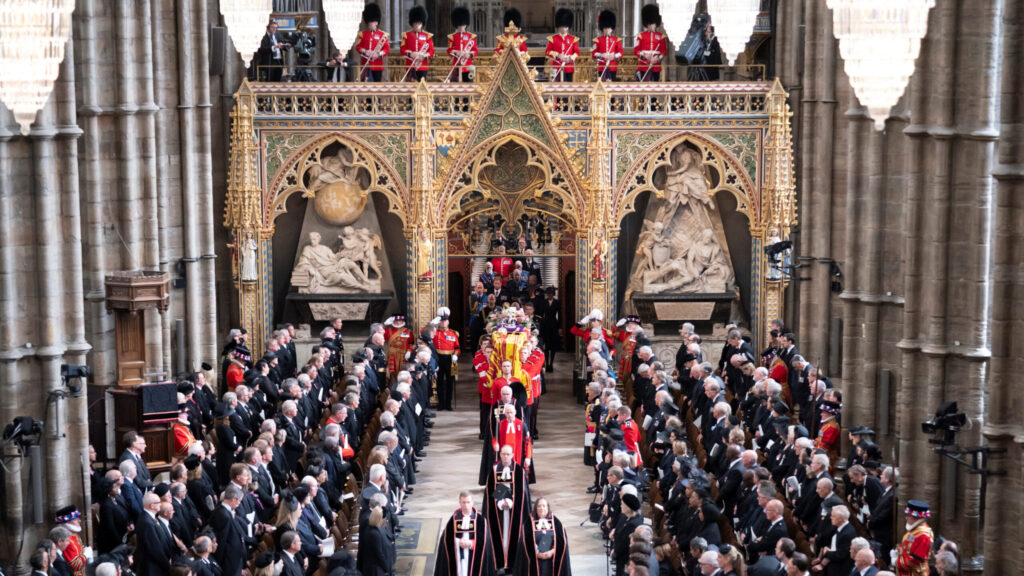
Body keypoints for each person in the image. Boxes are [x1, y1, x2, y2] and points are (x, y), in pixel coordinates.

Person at [484, 445, 530, 572]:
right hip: (498, 511)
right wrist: (499, 502)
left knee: (513, 534)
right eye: (503, 454)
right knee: (499, 535)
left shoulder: (519, 471)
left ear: (512, 455)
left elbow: (522, 493)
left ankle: (512, 564)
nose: (505, 457)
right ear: (500, 455)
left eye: (508, 454)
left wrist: (510, 503)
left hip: (514, 511)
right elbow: (489, 492)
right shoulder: (494, 470)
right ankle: (499, 564)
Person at [434, 491, 497, 576]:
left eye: (468, 502)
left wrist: (471, 543)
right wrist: (458, 542)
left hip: (473, 556)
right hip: (458, 558)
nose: (466, 505)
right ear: (460, 502)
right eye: (463, 502)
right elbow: (445, 540)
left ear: (472, 502)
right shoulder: (454, 519)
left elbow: (485, 543)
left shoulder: (480, 521)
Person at [514, 498, 571, 576]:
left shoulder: (555, 522)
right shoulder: (529, 522)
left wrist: (552, 552)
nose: (542, 508)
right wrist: (536, 553)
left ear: (548, 508)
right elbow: (524, 543)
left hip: (551, 560)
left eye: (544, 506)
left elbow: (562, 542)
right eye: (539, 506)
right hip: (535, 560)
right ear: (535, 508)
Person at [357, 494, 397, 576]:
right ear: (381, 506)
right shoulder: (368, 520)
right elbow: (375, 549)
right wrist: (386, 568)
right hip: (374, 565)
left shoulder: (369, 514)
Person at [894, 500, 932, 576]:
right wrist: (898, 551)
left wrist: (896, 562)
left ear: (915, 518)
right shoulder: (915, 528)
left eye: (908, 515)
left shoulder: (923, 536)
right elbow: (908, 545)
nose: (906, 518)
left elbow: (915, 561)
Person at [434, 307, 461, 411]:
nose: (443, 323)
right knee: (439, 382)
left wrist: (456, 355)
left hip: (450, 359)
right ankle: (441, 403)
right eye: (441, 321)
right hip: (439, 359)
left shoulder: (453, 333)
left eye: (445, 321)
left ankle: (448, 403)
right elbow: (424, 332)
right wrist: (432, 324)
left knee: (450, 382)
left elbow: (457, 347)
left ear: (448, 322)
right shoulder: (435, 332)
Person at [357, 4, 389, 82]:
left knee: (376, 85)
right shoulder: (362, 34)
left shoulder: (382, 35)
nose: (371, 24)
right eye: (370, 22)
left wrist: (378, 54)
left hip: (377, 65)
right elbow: (358, 47)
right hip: (365, 64)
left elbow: (386, 49)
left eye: (373, 22)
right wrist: (365, 51)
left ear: (377, 23)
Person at [401, 6, 434, 82]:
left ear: (422, 24)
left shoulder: (427, 36)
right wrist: (411, 54)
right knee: (410, 86)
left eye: (419, 23)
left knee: (422, 85)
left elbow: (431, 50)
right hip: (410, 65)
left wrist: (424, 57)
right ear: (412, 23)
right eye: (415, 23)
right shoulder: (406, 35)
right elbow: (402, 49)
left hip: (423, 66)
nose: (417, 25)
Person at [635, 5, 666, 81]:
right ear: (646, 24)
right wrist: (645, 56)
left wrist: (658, 59)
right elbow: (636, 51)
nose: (651, 26)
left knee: (655, 86)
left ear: (656, 24)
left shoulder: (661, 36)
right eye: (649, 24)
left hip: (656, 65)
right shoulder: (640, 36)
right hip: (644, 65)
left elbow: (663, 51)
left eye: (652, 24)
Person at [546, 9, 579, 82]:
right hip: (557, 67)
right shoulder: (553, 39)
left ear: (568, 27)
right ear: (559, 27)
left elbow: (576, 52)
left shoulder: (573, 39)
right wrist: (557, 55)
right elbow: (547, 52)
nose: (563, 28)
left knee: (569, 86)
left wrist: (570, 58)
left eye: (565, 26)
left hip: (569, 67)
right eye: (561, 26)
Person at [447, 7, 477, 83]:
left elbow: (475, 50)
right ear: (456, 25)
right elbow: (449, 51)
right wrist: (456, 52)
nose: (461, 27)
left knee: (469, 86)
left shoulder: (471, 37)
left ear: (466, 25)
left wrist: (469, 55)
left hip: (468, 66)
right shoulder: (452, 37)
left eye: (463, 25)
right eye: (459, 25)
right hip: (457, 66)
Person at [593, 10, 622, 81]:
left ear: (611, 29)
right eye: (605, 28)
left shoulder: (616, 40)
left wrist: (614, 56)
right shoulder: (597, 40)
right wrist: (602, 55)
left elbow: (620, 52)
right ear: (602, 28)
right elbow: (594, 53)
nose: (607, 30)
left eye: (608, 28)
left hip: (612, 67)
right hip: (602, 67)